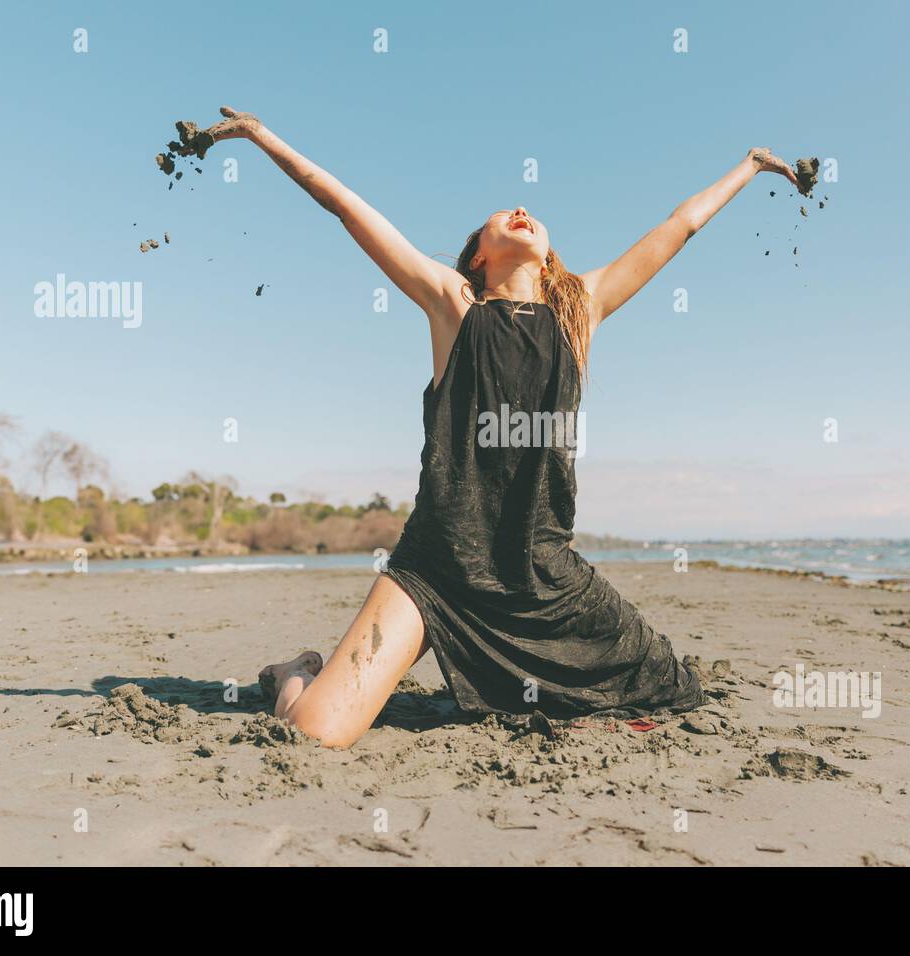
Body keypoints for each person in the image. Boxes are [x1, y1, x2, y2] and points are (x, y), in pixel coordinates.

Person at [207, 107, 800, 747]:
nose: (518, 209)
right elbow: (349, 208)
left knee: (672, 686)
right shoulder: (452, 305)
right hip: (438, 565)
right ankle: (295, 671)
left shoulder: (582, 311)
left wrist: (751, 165)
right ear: (477, 256)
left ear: (548, 259)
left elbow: (679, 226)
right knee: (314, 732)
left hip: (541, 571)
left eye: (529, 214)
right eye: (499, 215)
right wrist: (260, 136)